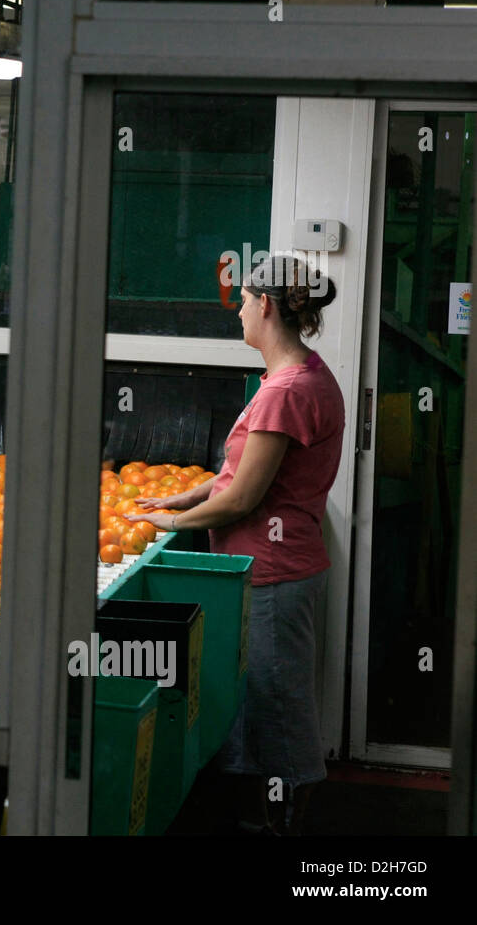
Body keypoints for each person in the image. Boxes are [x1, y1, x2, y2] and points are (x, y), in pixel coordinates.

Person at [128, 254, 344, 835]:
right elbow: (240, 471)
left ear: (266, 306)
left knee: (276, 703)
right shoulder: (301, 374)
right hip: (278, 566)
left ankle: (286, 823)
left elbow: (244, 498)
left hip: (274, 571)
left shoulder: (286, 390)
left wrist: (166, 529)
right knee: (263, 697)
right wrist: (181, 501)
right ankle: (269, 814)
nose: (240, 312)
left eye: (245, 301)